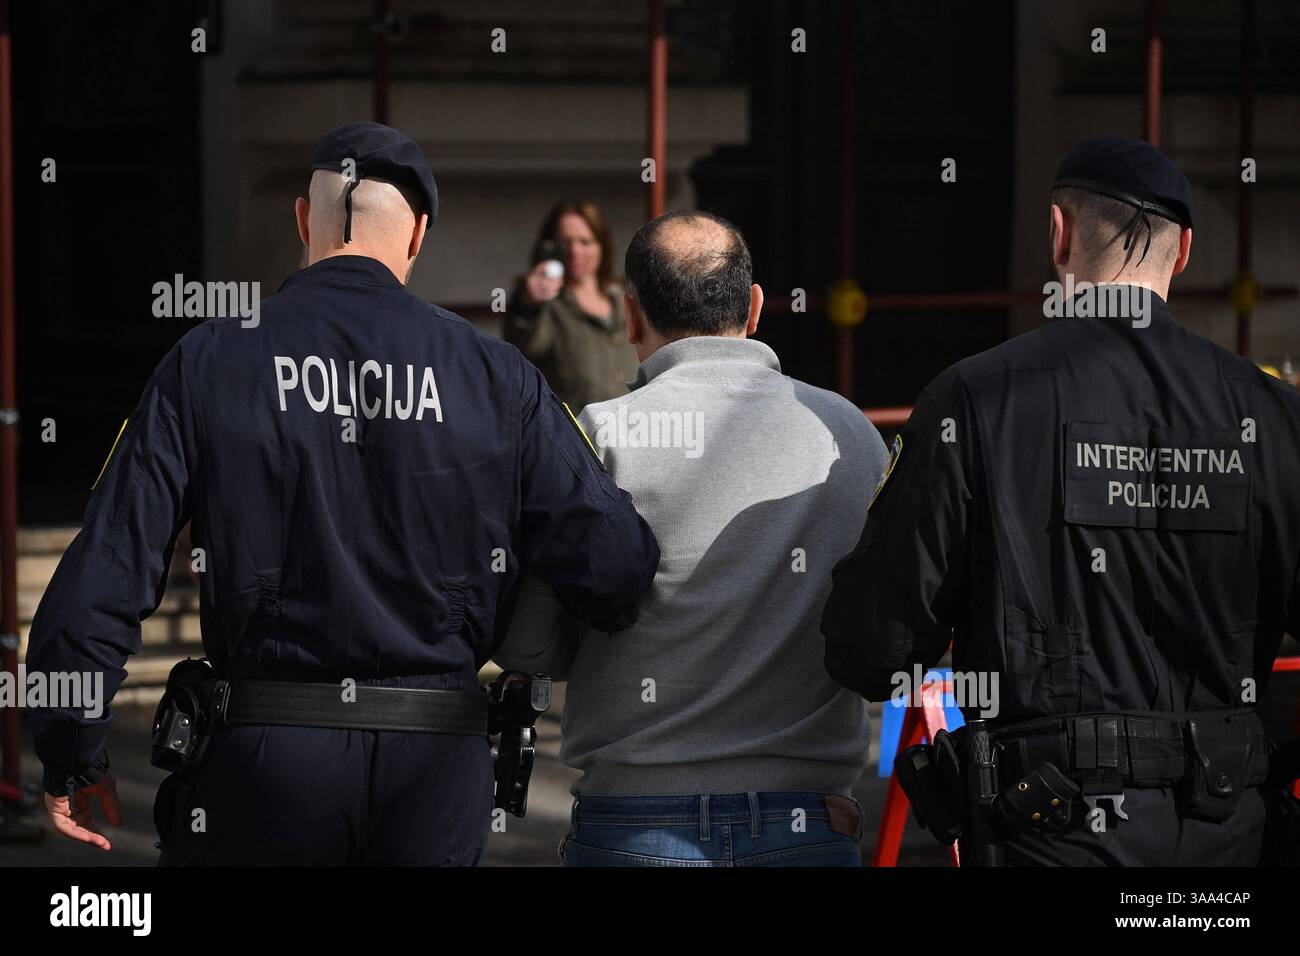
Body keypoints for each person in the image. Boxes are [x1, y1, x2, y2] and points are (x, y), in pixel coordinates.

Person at [24, 122, 659, 865]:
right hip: (436, 772)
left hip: (263, 762)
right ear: (418, 234)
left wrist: (71, 748)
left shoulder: (209, 359)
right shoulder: (498, 377)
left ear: (302, 218)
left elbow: (106, 566)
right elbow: (615, 564)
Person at [821, 134, 1300, 865]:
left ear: (1059, 232)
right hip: (1226, 839)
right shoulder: (1273, 415)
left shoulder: (977, 397)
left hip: (1045, 834)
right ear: (1184, 252)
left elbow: (874, 646)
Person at [495, 210, 888, 867]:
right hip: (806, 822)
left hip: (632, 821)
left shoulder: (599, 434)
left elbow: (528, 643)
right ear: (756, 305)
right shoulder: (846, 433)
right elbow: (889, 627)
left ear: (631, 314)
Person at [504, 201, 639, 411]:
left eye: (585, 241)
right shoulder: (546, 302)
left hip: (634, 431)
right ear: (549, 247)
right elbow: (527, 342)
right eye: (565, 242)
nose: (575, 251)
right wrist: (528, 304)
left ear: (602, 245)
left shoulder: (627, 296)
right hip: (575, 435)